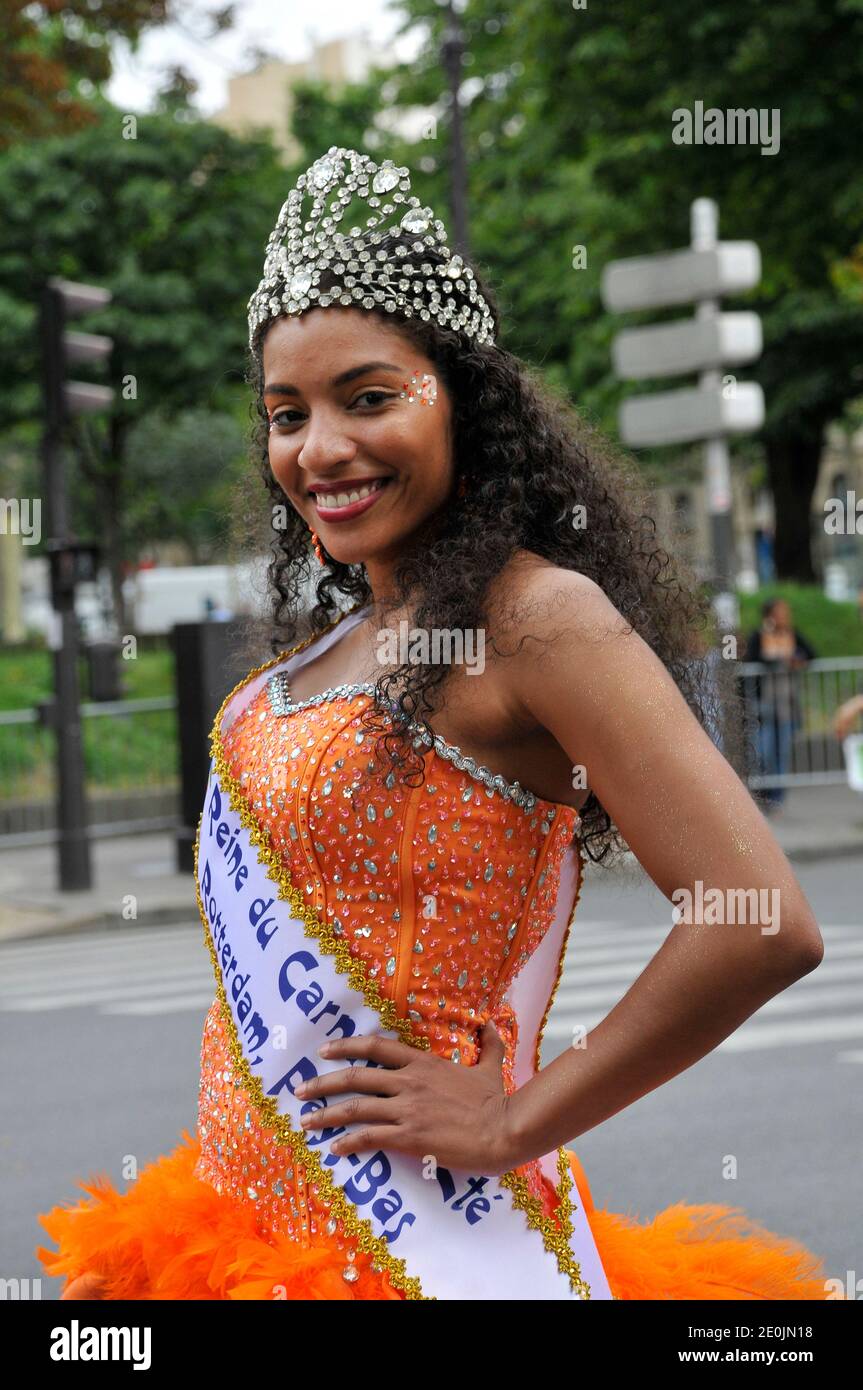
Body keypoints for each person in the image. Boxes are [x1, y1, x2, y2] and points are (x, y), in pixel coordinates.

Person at [37, 147, 838, 1301]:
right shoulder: (327, 642)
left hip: (427, 1254)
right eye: (285, 414)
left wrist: (514, 1119)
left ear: (460, 401)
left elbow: (759, 921)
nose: (319, 449)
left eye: (368, 398)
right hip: (231, 1244)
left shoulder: (538, 619)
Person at [743, 598, 815, 812]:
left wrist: (797, 659)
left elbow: (811, 653)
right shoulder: (759, 635)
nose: (785, 616)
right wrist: (773, 659)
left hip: (786, 706)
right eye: (781, 612)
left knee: (780, 753)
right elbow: (750, 660)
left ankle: (777, 798)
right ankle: (764, 794)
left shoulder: (793, 634)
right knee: (763, 751)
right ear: (770, 615)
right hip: (763, 705)